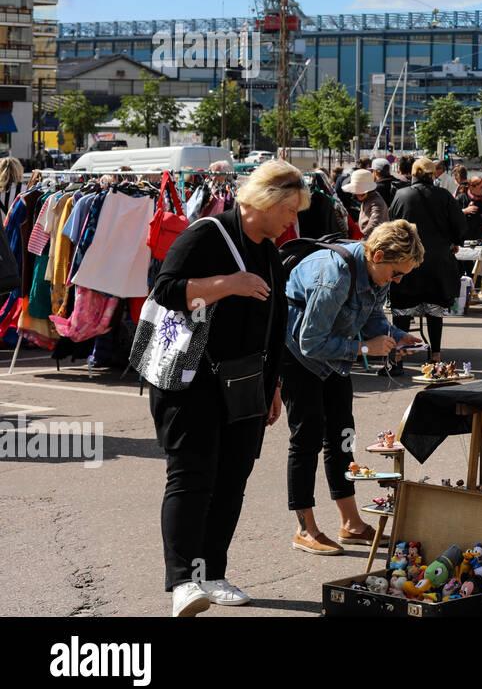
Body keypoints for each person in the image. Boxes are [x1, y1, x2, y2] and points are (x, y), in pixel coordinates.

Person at [148, 159, 308, 616]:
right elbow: (165, 291)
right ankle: (182, 582)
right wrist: (226, 285)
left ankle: (211, 573)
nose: (291, 221)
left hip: (245, 385)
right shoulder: (207, 233)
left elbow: (276, 324)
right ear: (267, 201)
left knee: (232, 480)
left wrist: (273, 383)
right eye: (289, 211)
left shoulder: (270, 250)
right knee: (192, 477)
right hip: (190, 381)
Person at [281, 219, 425, 556]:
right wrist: (363, 349)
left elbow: (372, 314)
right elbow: (309, 343)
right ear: (377, 255)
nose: (398, 280)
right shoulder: (333, 277)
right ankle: (305, 528)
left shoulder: (377, 271)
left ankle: (350, 523)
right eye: (396, 273)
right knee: (306, 439)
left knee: (343, 436)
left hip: (334, 356)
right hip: (298, 356)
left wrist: (393, 335)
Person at [388, 158, 467, 365]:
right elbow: (460, 224)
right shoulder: (443, 196)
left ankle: (397, 360)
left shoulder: (401, 195)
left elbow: (391, 227)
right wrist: (454, 241)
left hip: (408, 260)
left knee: (402, 311)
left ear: (413, 175)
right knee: (434, 311)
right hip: (438, 261)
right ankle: (435, 357)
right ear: (433, 175)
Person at [344, 167, 389, 239]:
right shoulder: (367, 199)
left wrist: (360, 238)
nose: (355, 194)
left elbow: (374, 225)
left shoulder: (376, 203)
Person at [457, 175, 482, 243]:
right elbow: (451, 215)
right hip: (464, 240)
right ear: (471, 188)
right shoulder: (461, 198)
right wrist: (465, 211)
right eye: (481, 188)